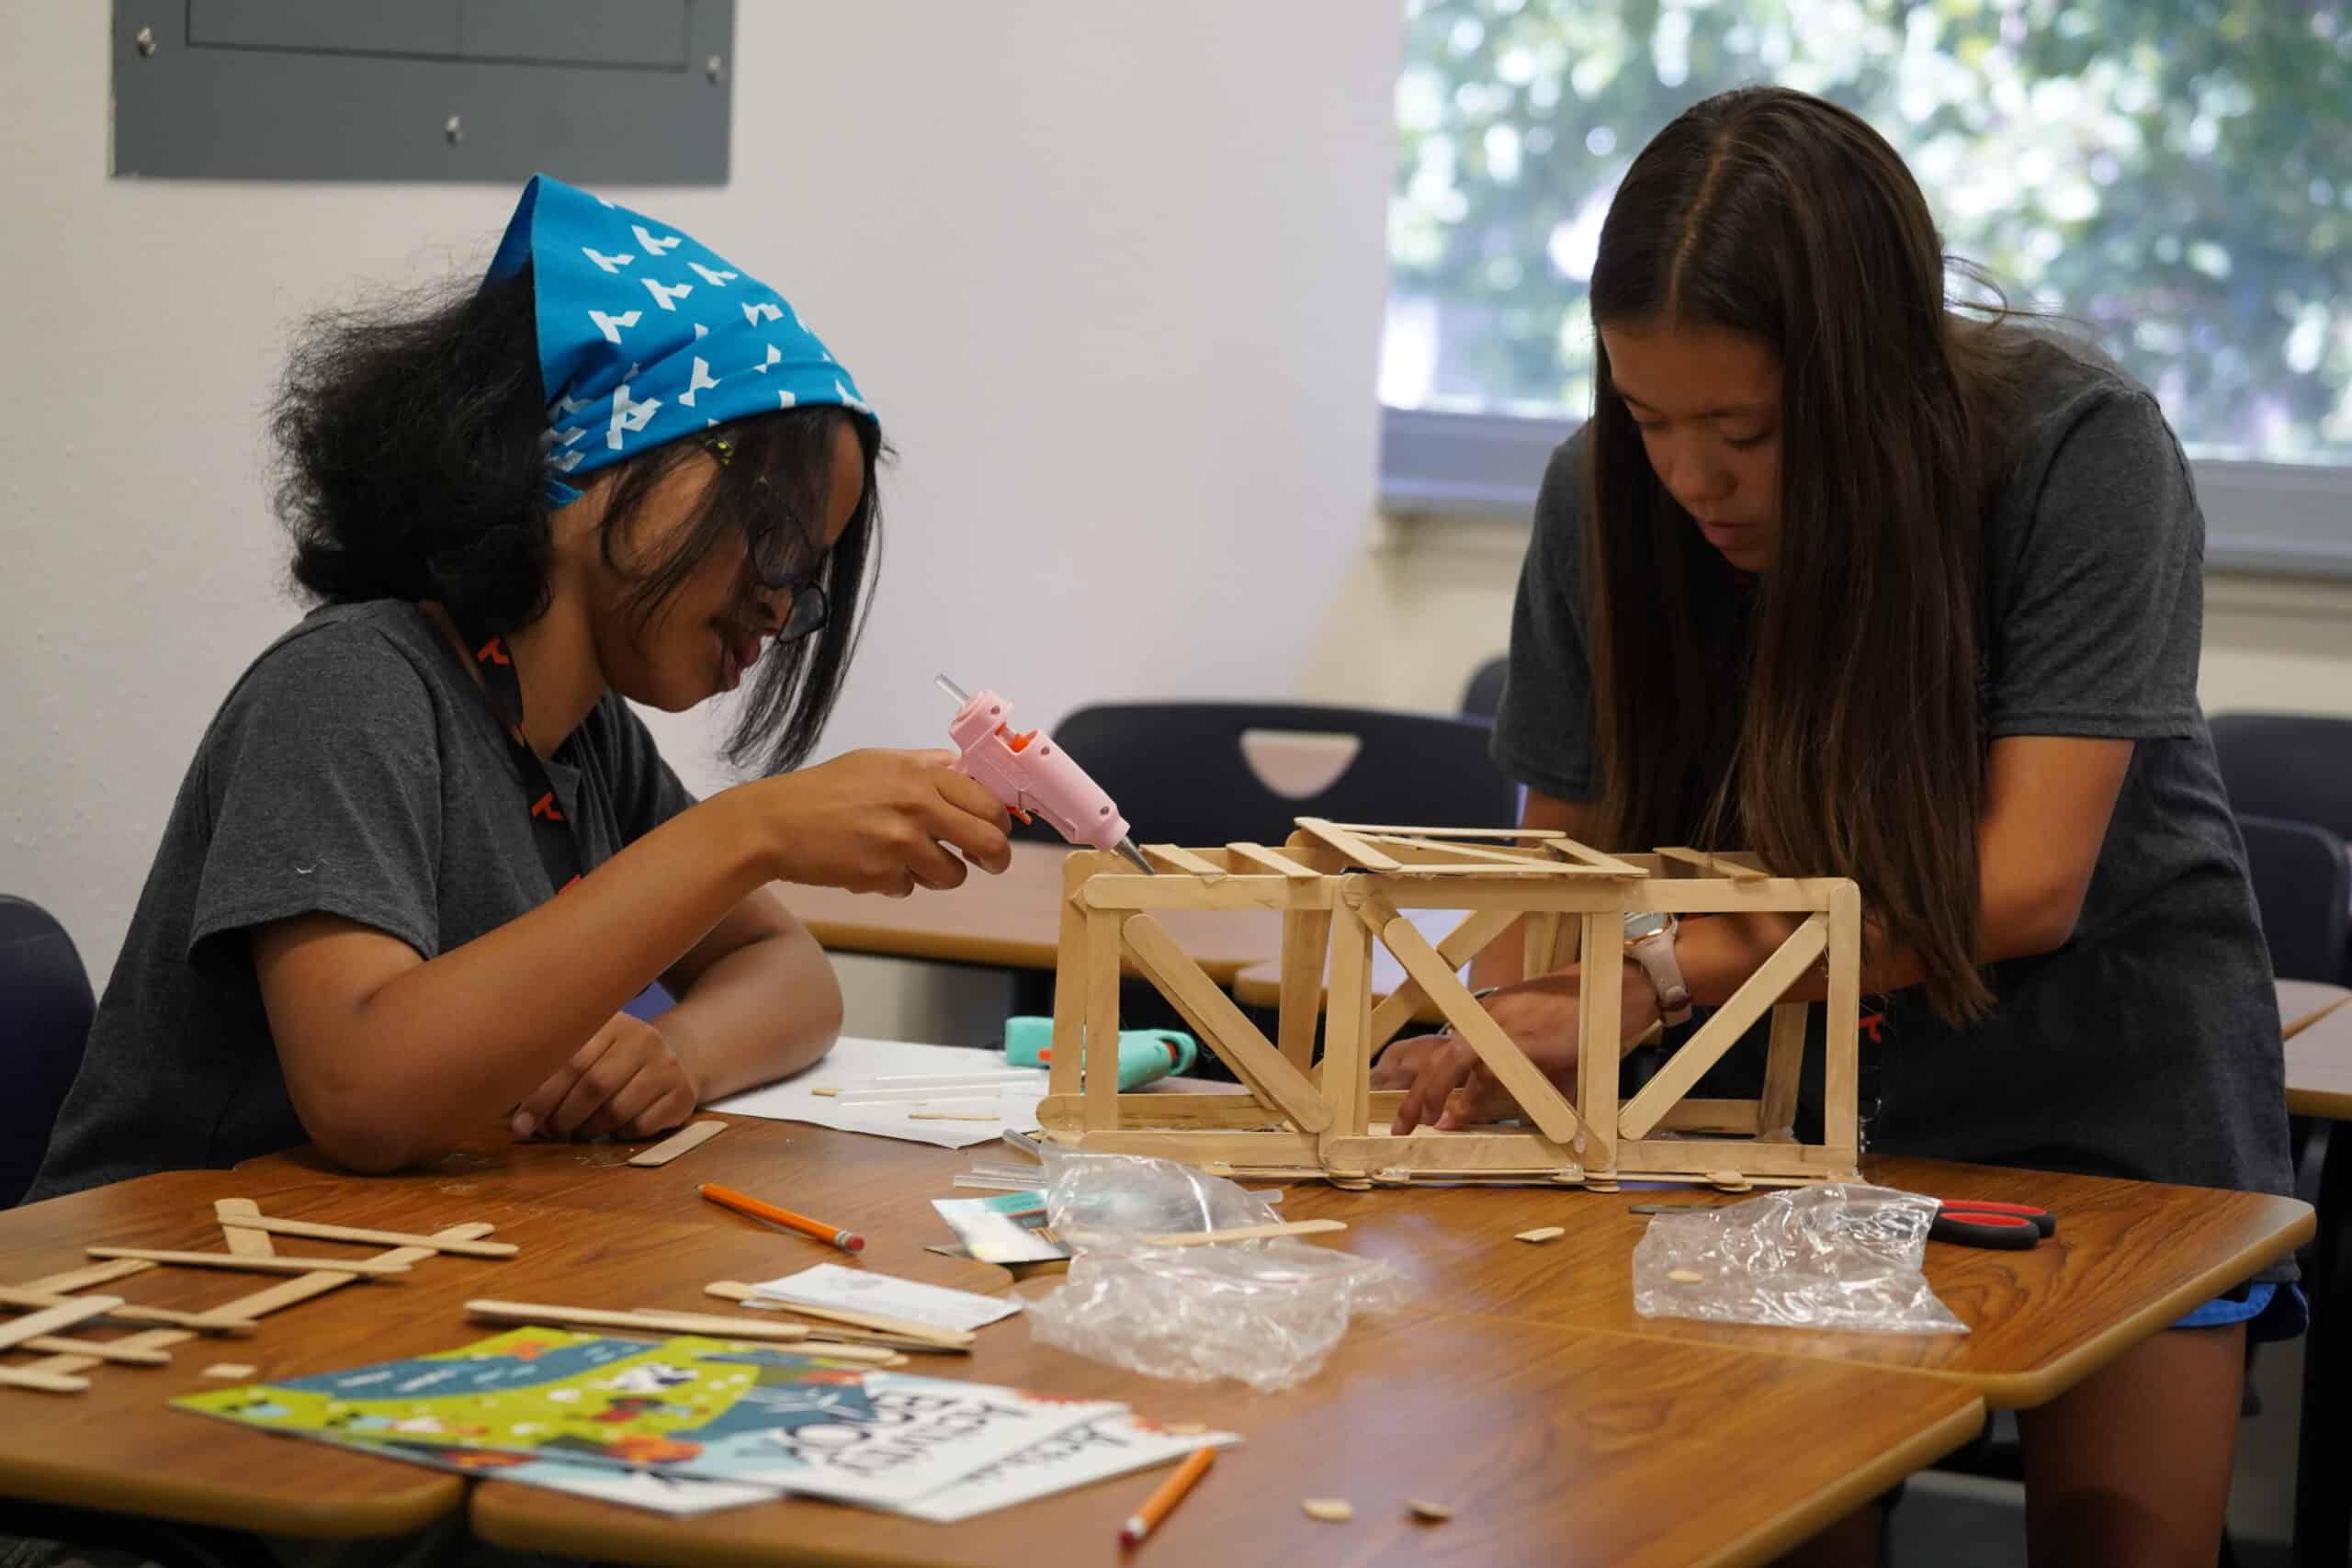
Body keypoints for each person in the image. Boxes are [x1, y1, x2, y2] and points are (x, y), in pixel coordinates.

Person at [1374, 89, 2297, 1567]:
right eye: (1649, 416)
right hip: (1778, 1108)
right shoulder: (1602, 495)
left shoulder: (2076, 450)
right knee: (1762, 1514)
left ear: (1873, 382)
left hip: (2113, 1101)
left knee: (2127, 1538)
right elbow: (1568, 880)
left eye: (1747, 428)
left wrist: (1650, 979)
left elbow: (2022, 885)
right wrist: (1493, 1026)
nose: (1692, 478)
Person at [30, 174, 1012, 1198]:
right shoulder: (348, 690)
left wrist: (677, 1055)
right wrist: (747, 830)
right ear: (596, 446)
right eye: (773, 539)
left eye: (804, 580)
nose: (778, 607)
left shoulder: (585, 741)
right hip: (144, 1289)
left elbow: (789, 977)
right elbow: (367, 1095)